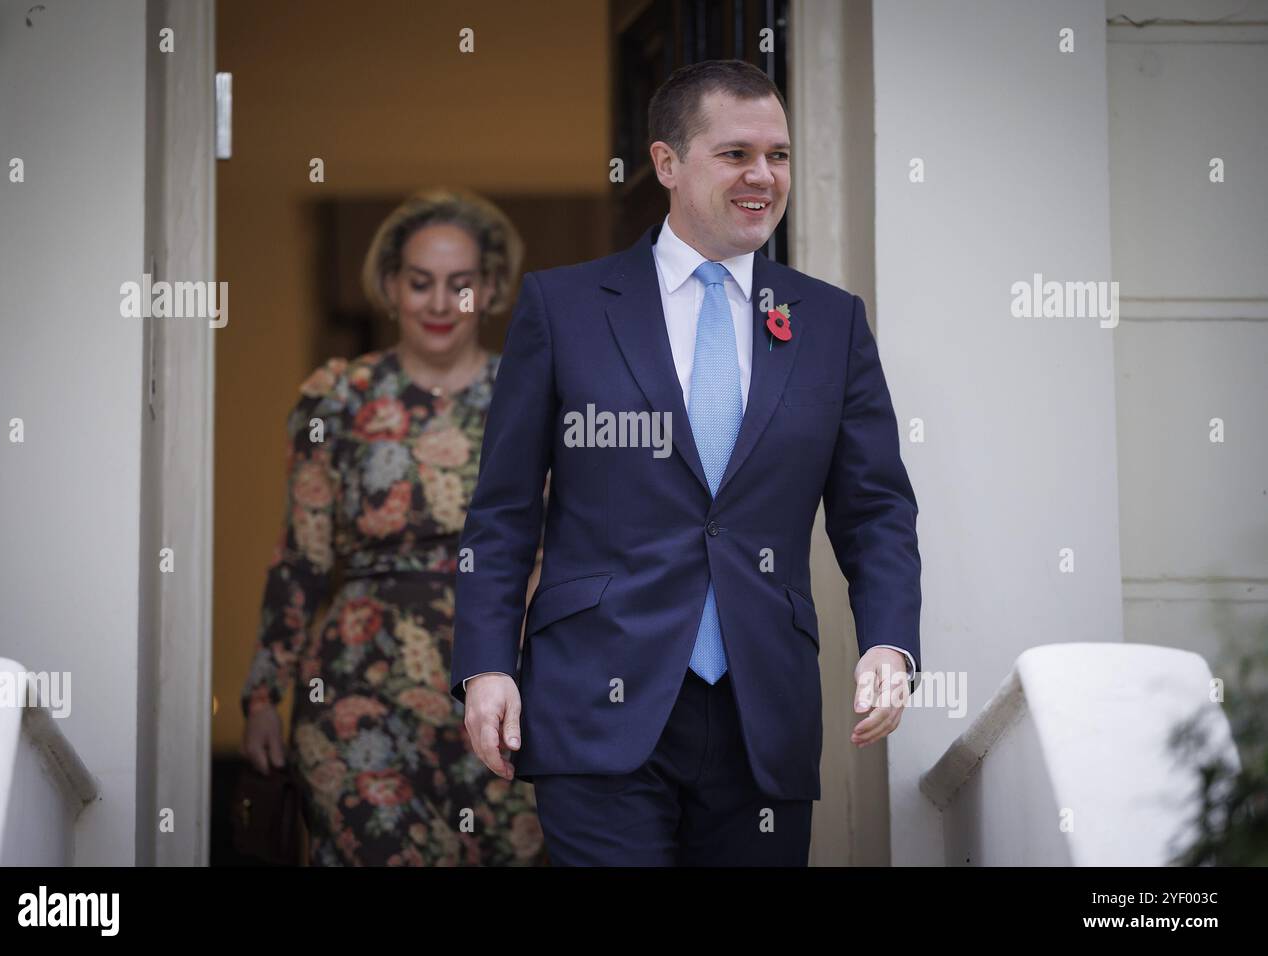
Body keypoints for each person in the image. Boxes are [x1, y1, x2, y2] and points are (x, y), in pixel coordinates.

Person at [450, 60, 922, 866]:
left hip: (762, 713)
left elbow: (876, 508)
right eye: (735, 154)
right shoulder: (563, 308)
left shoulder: (831, 322)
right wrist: (485, 665)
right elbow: (502, 513)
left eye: (777, 156)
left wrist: (890, 643)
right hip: (596, 703)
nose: (763, 177)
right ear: (667, 164)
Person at [240, 188, 549, 866]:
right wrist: (265, 695)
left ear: (490, 290)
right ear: (390, 286)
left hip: (501, 684)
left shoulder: (532, 394)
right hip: (358, 685)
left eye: (460, 285)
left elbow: (560, 550)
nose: (440, 303)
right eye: (420, 283)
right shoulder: (337, 397)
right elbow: (302, 554)